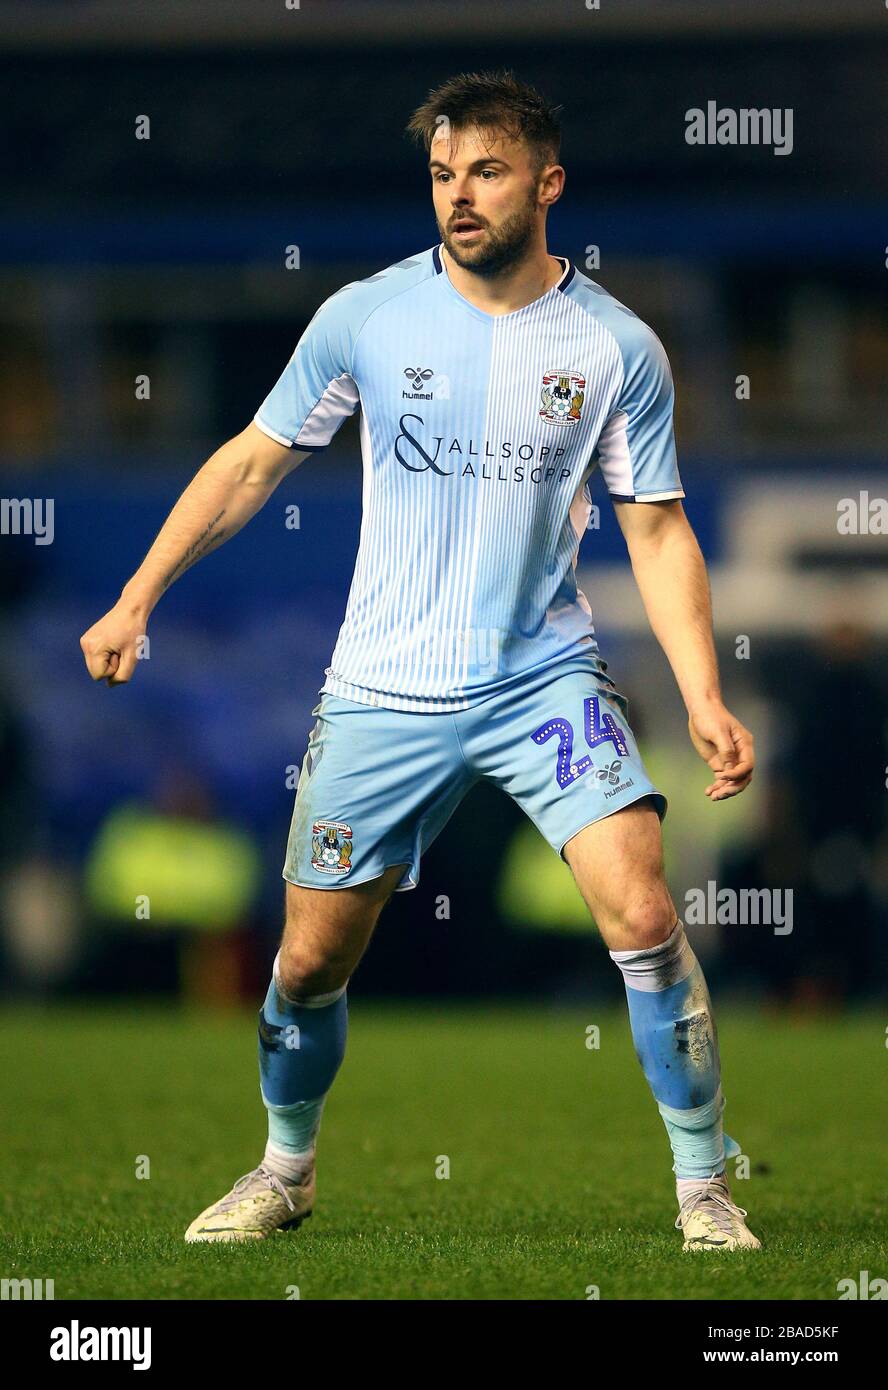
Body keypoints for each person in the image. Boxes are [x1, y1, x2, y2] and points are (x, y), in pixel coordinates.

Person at [80, 70, 758, 1252]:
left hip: (543, 678)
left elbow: (655, 524)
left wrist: (701, 693)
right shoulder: (366, 317)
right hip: (382, 686)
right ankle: (285, 1170)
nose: (459, 196)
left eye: (486, 172)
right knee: (304, 961)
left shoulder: (616, 347)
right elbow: (251, 461)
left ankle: (706, 1187)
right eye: (442, 174)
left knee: (646, 911)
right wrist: (137, 596)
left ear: (547, 183)